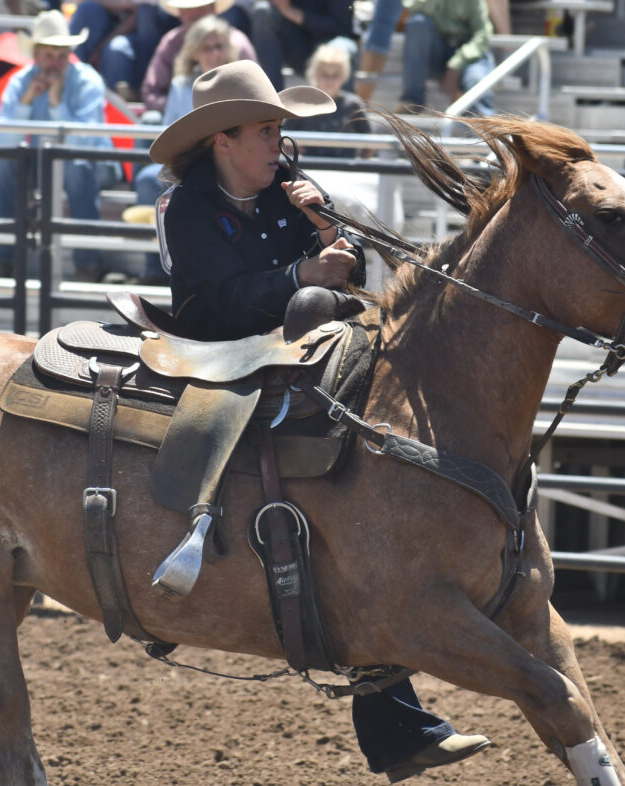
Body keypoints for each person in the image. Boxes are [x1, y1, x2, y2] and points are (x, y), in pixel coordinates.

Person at [148, 60, 492, 780]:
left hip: (305, 354)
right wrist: (300, 279)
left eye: (278, 129)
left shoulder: (289, 189)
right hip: (227, 357)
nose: (279, 141)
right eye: (266, 129)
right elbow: (212, 305)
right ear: (223, 141)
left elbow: (352, 263)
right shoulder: (185, 210)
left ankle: (392, 714)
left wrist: (330, 233)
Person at [0, 10, 118, 281]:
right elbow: (5, 141)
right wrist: (25, 102)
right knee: (0, 165)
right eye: (49, 55)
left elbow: (84, 144)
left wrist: (56, 103)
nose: (55, 63)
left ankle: (88, 264)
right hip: (43, 164)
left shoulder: (88, 80)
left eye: (61, 55)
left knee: (76, 166)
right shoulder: (21, 82)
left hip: (94, 163)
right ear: (35, 54)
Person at [131, 13, 236, 283]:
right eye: (207, 47)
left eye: (219, 46)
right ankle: (155, 269)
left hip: (229, 161)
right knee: (146, 180)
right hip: (186, 159)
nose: (214, 53)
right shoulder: (179, 85)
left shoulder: (237, 83)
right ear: (194, 52)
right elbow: (172, 131)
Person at [138, 0, 252, 120]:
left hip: (236, 126)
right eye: (187, 9)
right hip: (185, 126)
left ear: (213, 9)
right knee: (150, 119)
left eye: (219, 46)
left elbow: (254, 94)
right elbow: (152, 92)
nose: (194, 13)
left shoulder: (239, 43)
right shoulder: (179, 84)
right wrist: (179, 106)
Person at [397, 0, 506, 116]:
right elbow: (411, 7)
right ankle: (411, 102)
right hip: (437, 53)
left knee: (476, 80)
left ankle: (482, 124)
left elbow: (482, 35)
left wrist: (456, 65)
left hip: (467, 54)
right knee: (418, 23)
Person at [69, 0, 179, 102]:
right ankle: (74, 83)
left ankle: (141, 92)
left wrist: (101, 48)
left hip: (151, 31)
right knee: (87, 9)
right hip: (113, 26)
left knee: (116, 48)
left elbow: (141, 8)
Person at [281, 43, 371, 159]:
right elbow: (283, 138)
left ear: (344, 75)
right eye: (325, 74)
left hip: (347, 171)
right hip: (309, 169)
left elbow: (369, 141)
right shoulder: (302, 104)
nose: (330, 80)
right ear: (315, 74)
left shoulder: (353, 104)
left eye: (335, 75)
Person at [247, 0, 354, 92]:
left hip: (331, 43)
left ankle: (343, 113)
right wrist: (280, 5)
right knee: (263, 12)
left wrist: (296, 15)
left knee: (342, 50)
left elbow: (342, 26)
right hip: (298, 47)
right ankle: (273, 104)